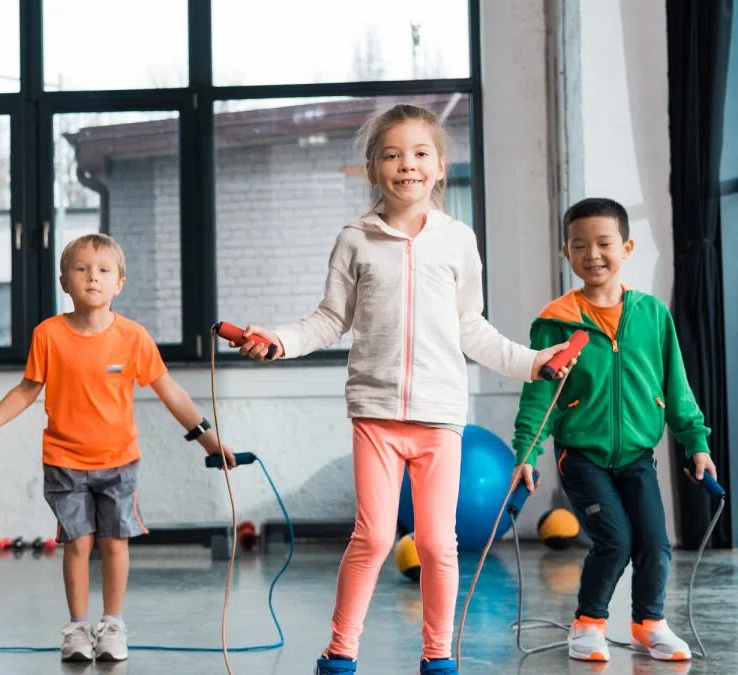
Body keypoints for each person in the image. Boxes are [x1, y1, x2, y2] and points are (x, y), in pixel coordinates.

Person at [231, 103, 573, 675]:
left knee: (439, 545)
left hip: (441, 421)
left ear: (440, 167)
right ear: (372, 168)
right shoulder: (354, 240)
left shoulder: (458, 241)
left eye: (419, 154)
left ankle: (438, 655)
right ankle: (340, 653)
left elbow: (472, 328)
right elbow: (326, 320)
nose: (406, 165)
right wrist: (279, 340)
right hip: (376, 417)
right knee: (372, 538)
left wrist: (534, 361)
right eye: (391, 155)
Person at [0, 232, 239, 663]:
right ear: (64, 282)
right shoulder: (48, 334)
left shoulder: (133, 337)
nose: (92, 278)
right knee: (78, 543)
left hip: (119, 462)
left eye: (103, 270)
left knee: (115, 543)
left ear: (119, 283)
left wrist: (208, 439)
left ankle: (113, 624)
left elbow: (170, 391)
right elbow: (25, 392)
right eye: (81, 269)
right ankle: (78, 629)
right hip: (64, 462)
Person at [512, 197, 715, 663]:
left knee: (655, 542)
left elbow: (676, 387)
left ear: (626, 247)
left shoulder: (652, 315)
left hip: (637, 457)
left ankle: (649, 625)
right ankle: (587, 624)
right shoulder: (555, 322)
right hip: (581, 456)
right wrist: (526, 452)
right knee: (615, 538)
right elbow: (538, 398)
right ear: (567, 253)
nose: (593, 254)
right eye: (579, 246)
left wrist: (696, 442)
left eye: (604, 243)